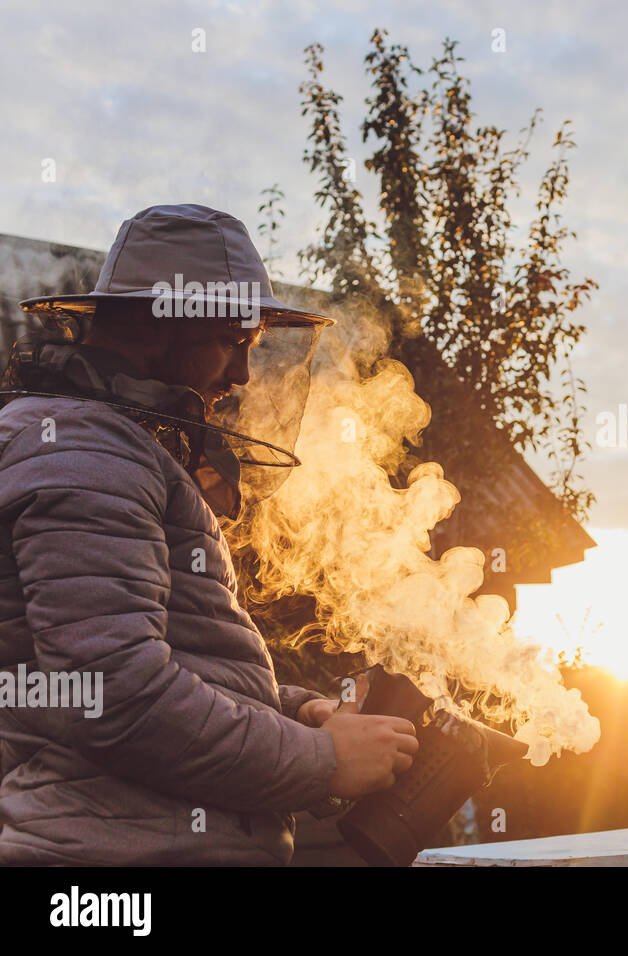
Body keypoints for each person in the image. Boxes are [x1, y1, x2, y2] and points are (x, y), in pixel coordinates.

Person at [0, 204, 418, 864]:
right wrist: (320, 761)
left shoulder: (105, 446)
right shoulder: (85, 452)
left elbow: (162, 665)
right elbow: (115, 692)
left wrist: (292, 711)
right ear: (160, 324)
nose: (243, 376)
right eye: (234, 341)